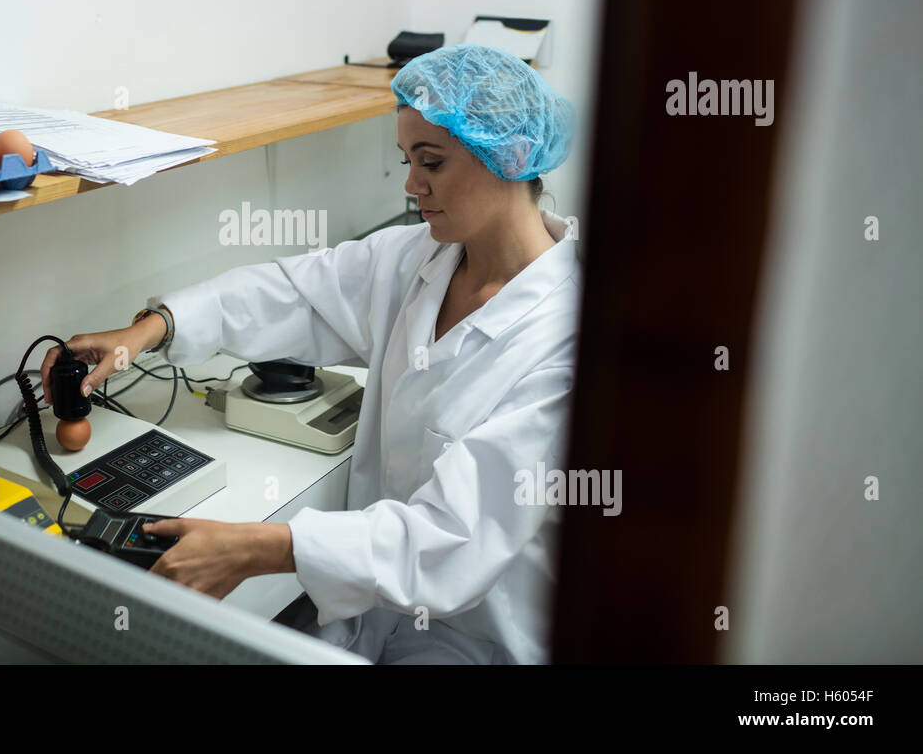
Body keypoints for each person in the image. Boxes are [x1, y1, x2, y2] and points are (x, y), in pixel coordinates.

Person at [41, 44, 580, 664]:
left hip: (478, 639)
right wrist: (148, 331)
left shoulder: (563, 342)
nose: (411, 184)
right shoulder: (421, 258)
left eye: (431, 162)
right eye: (407, 160)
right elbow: (295, 292)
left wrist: (255, 548)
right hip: (373, 617)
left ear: (509, 158)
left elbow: (450, 539)